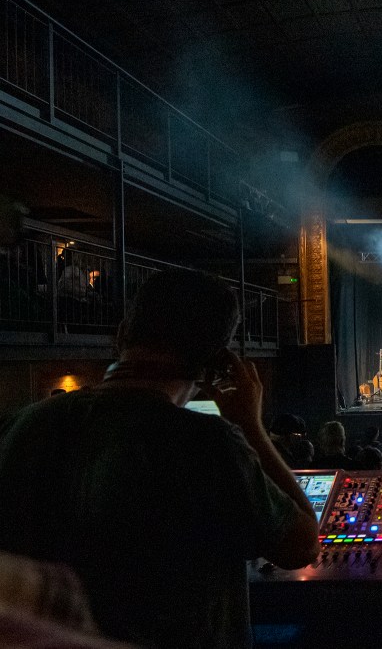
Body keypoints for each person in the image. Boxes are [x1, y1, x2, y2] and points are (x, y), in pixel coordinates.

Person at [0, 268, 319, 648]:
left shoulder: (18, 428)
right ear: (217, 361)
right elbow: (302, 545)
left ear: (121, 334)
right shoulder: (206, 443)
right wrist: (251, 427)